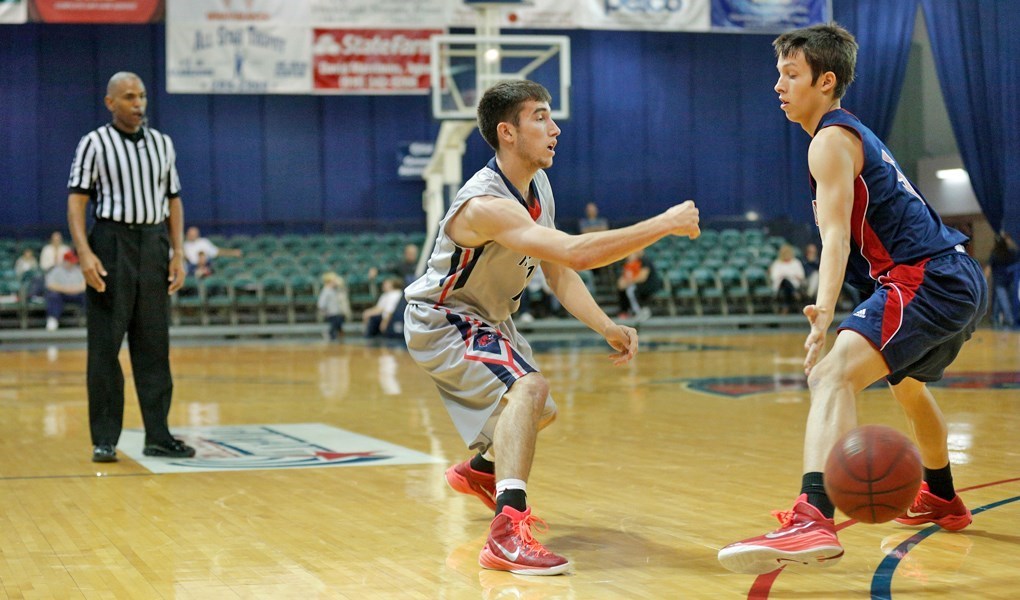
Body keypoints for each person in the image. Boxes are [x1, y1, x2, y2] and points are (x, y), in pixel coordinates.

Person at [718, 24, 987, 575]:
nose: (779, 85)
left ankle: (812, 517)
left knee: (830, 375)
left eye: (791, 75)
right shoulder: (847, 135)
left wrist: (822, 319)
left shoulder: (830, 142)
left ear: (826, 80)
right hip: (952, 275)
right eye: (778, 74)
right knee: (908, 385)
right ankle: (940, 496)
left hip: (925, 277)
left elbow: (836, 238)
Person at [403, 80, 700, 575]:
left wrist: (606, 325)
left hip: (489, 317)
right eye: (540, 117)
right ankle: (506, 532)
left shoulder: (537, 186)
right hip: (446, 316)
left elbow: (559, 272)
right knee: (529, 387)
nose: (554, 128)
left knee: (539, 410)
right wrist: (664, 223)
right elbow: (575, 252)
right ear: (508, 133)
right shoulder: (486, 203)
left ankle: (482, 472)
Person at [67, 71, 196, 463]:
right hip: (112, 243)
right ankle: (105, 438)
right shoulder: (94, 143)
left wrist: (177, 252)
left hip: (154, 243)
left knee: (155, 346)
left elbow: (173, 200)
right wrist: (86, 253)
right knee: (106, 346)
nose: (138, 103)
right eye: (128, 97)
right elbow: (77, 201)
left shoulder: (163, 143)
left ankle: (158, 435)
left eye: (141, 96)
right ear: (111, 103)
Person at [43, 250, 86, 331]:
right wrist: (66, 289)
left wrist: (74, 290)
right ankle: (53, 320)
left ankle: (86, 318)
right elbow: (50, 285)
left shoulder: (78, 270)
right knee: (53, 296)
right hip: (62, 294)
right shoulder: (56, 270)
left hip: (76, 293)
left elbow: (85, 284)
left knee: (87, 295)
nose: (72, 263)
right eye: (70, 261)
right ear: (65, 261)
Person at [985, 232, 1019, 329]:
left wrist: (983, 281)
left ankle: (1007, 319)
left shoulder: (995, 253)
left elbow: (988, 268)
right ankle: (997, 317)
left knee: (1002, 300)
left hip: (999, 282)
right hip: (1010, 281)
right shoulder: (1011, 252)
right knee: (1001, 300)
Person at [616, 250, 660, 320]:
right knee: (622, 289)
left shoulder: (645, 260)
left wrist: (627, 282)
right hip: (639, 284)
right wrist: (623, 282)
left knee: (631, 289)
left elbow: (642, 277)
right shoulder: (632, 262)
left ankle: (639, 311)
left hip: (650, 285)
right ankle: (626, 311)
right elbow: (623, 278)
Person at [769, 244, 806, 314]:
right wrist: (789, 275)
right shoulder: (777, 263)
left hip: (794, 284)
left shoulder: (796, 263)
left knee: (787, 285)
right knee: (785, 281)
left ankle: (785, 307)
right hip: (780, 285)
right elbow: (774, 277)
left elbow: (801, 276)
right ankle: (794, 293)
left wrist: (787, 275)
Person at [318, 271, 352, 340]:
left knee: (338, 324)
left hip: (338, 312)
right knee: (334, 325)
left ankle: (338, 335)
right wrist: (325, 311)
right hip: (332, 313)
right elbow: (321, 304)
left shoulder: (335, 290)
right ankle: (330, 334)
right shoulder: (326, 291)